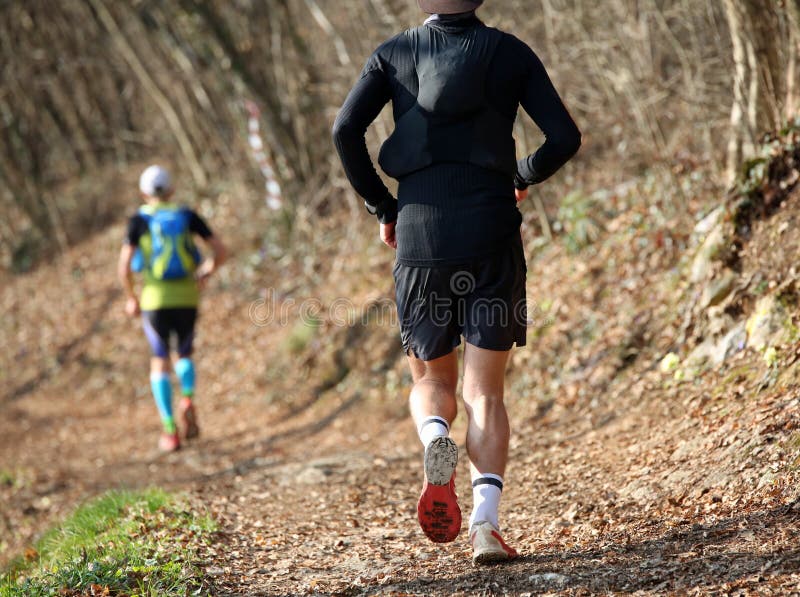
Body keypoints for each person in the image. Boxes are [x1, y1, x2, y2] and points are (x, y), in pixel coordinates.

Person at [332, 0, 581, 563]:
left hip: (421, 232)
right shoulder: (511, 52)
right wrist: (520, 176)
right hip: (492, 227)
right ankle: (486, 526)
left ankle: (434, 437)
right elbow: (564, 136)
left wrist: (382, 207)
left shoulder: (392, 53)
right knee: (485, 392)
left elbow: (345, 130)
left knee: (432, 383)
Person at [118, 165, 227, 452]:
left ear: (143, 192)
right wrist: (205, 272)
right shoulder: (187, 215)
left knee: (160, 359)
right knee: (185, 351)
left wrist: (132, 297)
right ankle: (188, 397)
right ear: (172, 190)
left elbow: (124, 266)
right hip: (187, 297)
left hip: (154, 299)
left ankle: (170, 430)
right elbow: (220, 250)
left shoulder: (138, 220)